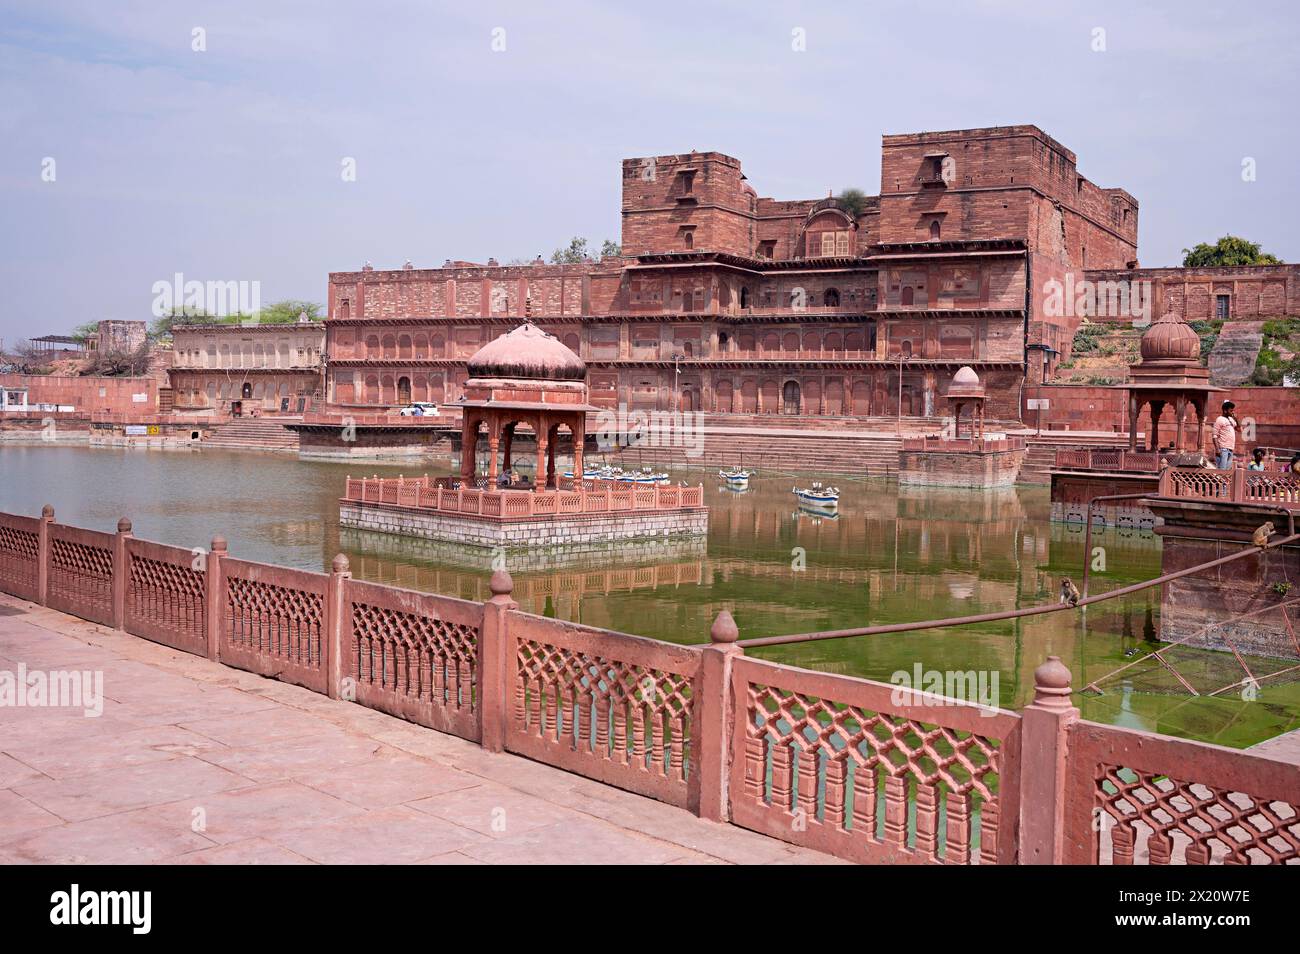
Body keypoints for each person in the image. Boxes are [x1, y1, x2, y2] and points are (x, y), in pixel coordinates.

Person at [1212, 401, 1238, 470]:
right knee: (1222, 471)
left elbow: (1239, 429)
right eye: (1231, 410)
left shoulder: (1231, 420)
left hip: (1230, 449)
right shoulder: (1219, 419)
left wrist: (1236, 419)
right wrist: (1217, 450)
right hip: (1223, 449)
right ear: (1225, 411)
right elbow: (1214, 436)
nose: (1232, 412)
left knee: (1227, 472)